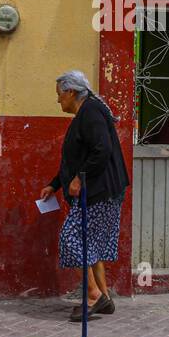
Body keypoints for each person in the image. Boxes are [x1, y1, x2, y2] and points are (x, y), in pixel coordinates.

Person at [39, 70, 129, 321]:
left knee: (71, 237)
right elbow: (75, 158)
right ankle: (105, 297)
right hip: (103, 191)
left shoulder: (90, 113)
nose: (58, 100)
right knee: (92, 244)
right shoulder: (87, 113)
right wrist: (55, 184)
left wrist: (80, 178)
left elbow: (102, 150)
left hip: (99, 191)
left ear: (70, 92)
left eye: (59, 95)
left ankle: (93, 295)